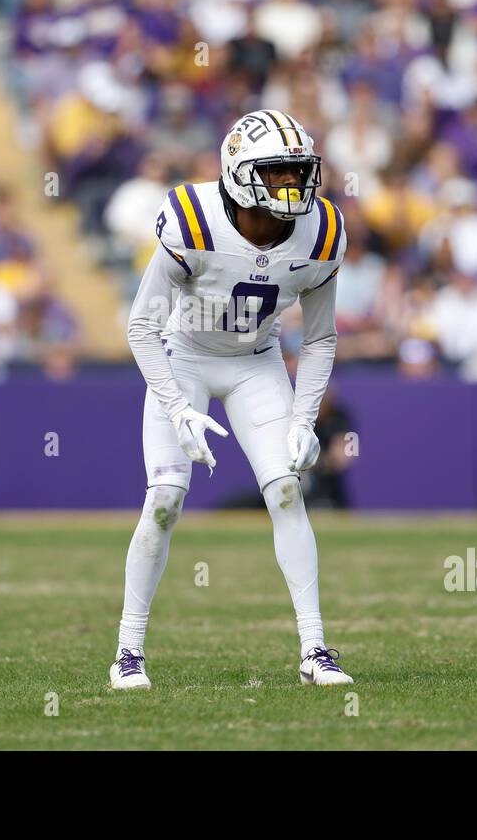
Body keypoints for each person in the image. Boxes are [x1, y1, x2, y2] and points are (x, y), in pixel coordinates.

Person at [112, 109, 351, 690]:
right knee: (166, 496)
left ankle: (315, 648)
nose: (294, 186)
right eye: (278, 174)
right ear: (240, 174)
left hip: (256, 362)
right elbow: (141, 326)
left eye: (299, 172)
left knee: (289, 489)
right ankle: (128, 653)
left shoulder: (321, 232)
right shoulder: (194, 219)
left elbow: (320, 337)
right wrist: (176, 405)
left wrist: (303, 418)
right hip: (184, 355)